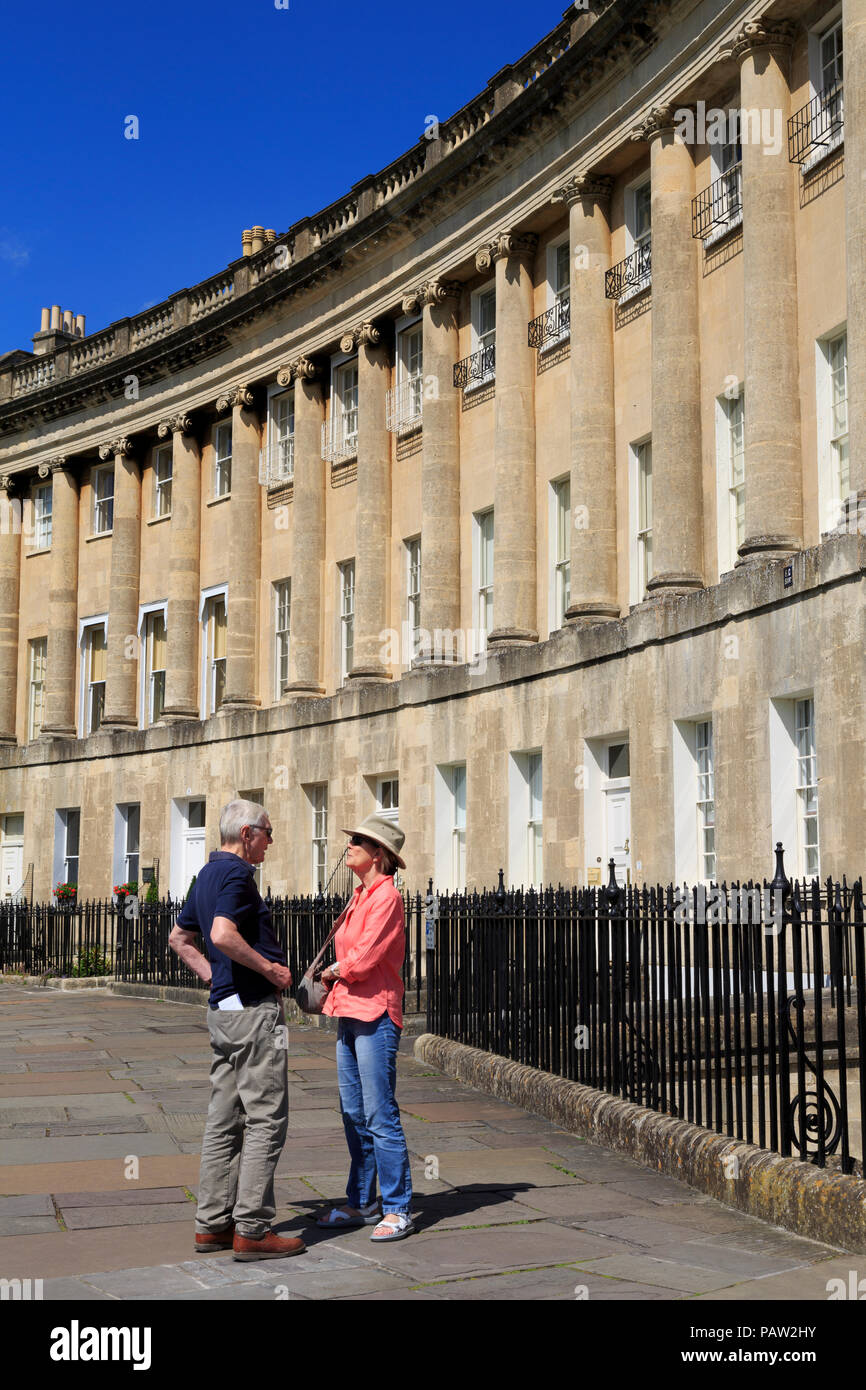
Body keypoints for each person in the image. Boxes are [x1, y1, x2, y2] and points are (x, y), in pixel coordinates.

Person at [168, 798, 305, 1262]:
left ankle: (211, 1225)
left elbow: (179, 938)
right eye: (267, 831)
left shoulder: (206, 874)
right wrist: (271, 970)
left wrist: (212, 977)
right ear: (246, 834)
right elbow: (223, 934)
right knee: (267, 1117)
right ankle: (252, 1228)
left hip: (222, 1014)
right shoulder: (236, 875)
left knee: (223, 1119)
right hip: (252, 1013)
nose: (270, 840)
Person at [315, 814, 415, 1241]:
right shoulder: (359, 896)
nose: (349, 845)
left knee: (380, 1113)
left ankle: (397, 1206)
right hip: (348, 1012)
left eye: (358, 840)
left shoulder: (387, 898)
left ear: (379, 854)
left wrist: (331, 971)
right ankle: (363, 1201)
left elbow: (365, 958)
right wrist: (336, 974)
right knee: (353, 1113)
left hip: (376, 1014)